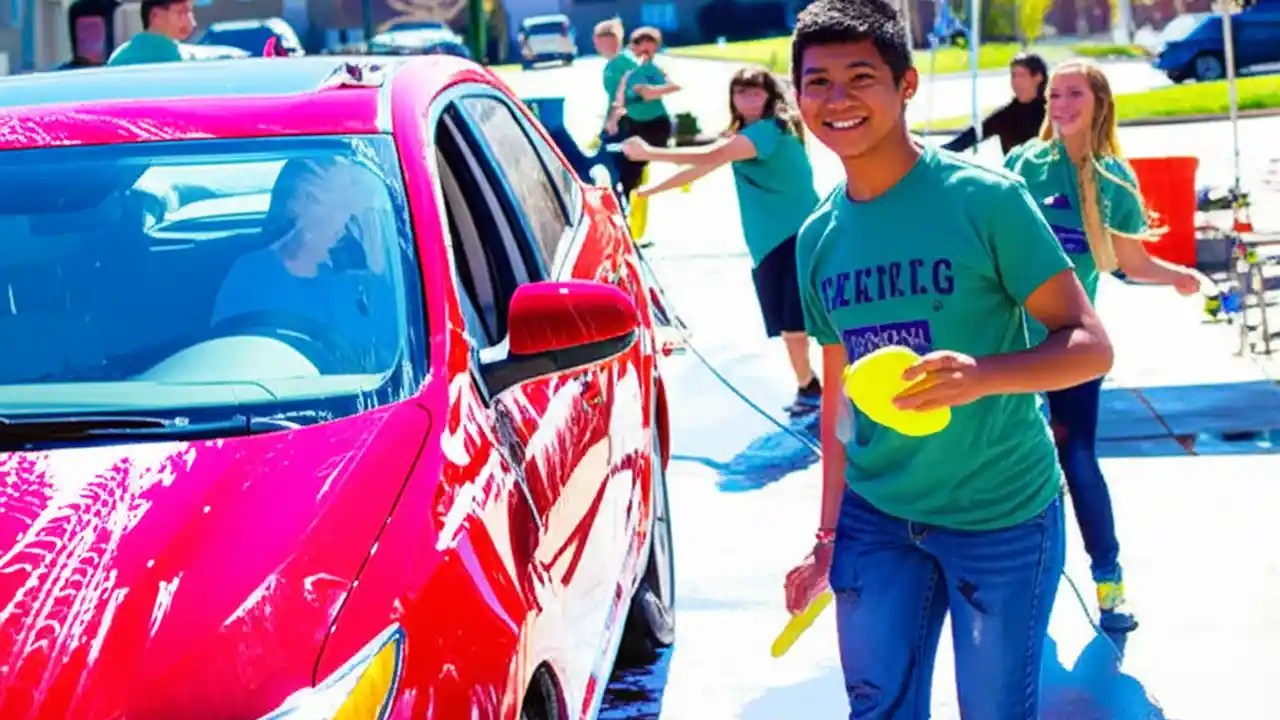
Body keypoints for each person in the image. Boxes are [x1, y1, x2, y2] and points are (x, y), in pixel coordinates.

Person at [781, 1, 1115, 717]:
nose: (837, 100)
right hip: (877, 517)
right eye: (817, 83)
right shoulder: (817, 237)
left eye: (860, 77)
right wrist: (827, 535)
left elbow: (1090, 345)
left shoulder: (985, 200)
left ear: (906, 86)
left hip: (1001, 515)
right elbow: (838, 404)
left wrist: (981, 376)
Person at [1003, 58, 1208, 633]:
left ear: (1098, 104)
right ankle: (1018, 582)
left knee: (1076, 459)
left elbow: (1130, 262)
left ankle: (1109, 581)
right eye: (1055, 96)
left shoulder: (1115, 178)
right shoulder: (1023, 164)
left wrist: (1177, 277)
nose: (1061, 105)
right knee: (1014, 465)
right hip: (1008, 344)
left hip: (1070, 347)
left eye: (1073, 95)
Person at [621, 67, 822, 417]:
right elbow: (705, 166)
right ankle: (809, 386)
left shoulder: (770, 130)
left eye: (755, 93)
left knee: (800, 325)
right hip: (771, 243)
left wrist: (649, 152)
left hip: (797, 236)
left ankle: (826, 388)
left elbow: (706, 157)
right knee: (791, 328)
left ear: (770, 96)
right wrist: (652, 190)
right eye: (740, 93)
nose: (747, 100)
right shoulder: (745, 134)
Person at [212, 157, 400, 373]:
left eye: (353, 214)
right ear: (303, 205)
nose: (345, 226)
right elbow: (231, 359)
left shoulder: (356, 277)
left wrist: (378, 266)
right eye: (340, 209)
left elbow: (386, 358)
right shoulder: (251, 274)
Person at [606, 27, 682, 197]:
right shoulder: (630, 71)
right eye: (639, 45)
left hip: (656, 122)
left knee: (650, 163)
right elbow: (623, 97)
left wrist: (653, 90)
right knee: (630, 165)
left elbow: (674, 86)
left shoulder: (655, 70)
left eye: (650, 46)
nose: (644, 50)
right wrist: (612, 120)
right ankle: (628, 198)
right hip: (634, 122)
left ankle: (642, 195)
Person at [943, 52, 1048, 156]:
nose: (1016, 82)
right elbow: (967, 138)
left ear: (1038, 77)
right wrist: (936, 152)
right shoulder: (1006, 115)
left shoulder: (1053, 113)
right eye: (1013, 76)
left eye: (1021, 76)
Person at [107, 0, 195, 67]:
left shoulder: (118, 58)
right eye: (181, 12)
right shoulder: (186, 60)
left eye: (189, 12)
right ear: (155, 15)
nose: (191, 22)